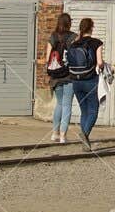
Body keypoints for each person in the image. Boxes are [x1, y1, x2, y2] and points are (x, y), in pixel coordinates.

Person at [64, 17, 106, 147]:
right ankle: (85, 134)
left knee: (84, 111)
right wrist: (105, 66)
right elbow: (99, 63)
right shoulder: (96, 43)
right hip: (90, 80)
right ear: (91, 28)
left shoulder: (73, 44)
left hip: (76, 81)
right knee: (93, 110)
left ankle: (85, 140)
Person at [44, 13, 77, 143]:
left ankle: (54, 134)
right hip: (69, 75)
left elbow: (47, 59)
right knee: (67, 105)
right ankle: (63, 135)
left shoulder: (53, 36)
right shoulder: (73, 37)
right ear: (69, 23)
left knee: (59, 104)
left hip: (55, 76)